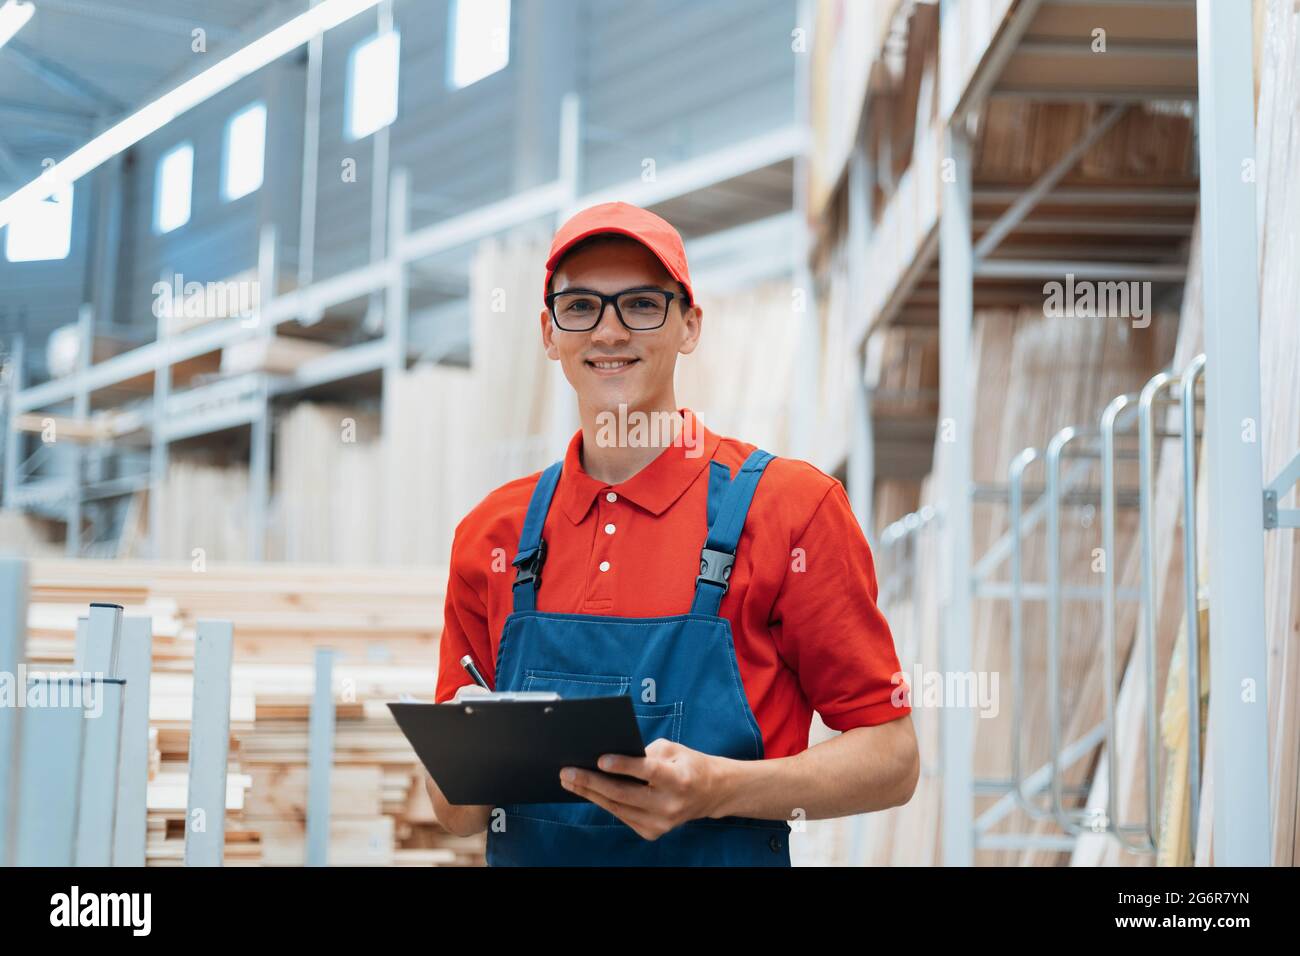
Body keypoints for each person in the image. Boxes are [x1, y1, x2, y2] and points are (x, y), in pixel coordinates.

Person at [426, 201, 918, 866]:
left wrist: (722, 789)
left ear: (690, 324)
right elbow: (455, 816)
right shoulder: (494, 533)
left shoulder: (791, 510)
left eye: (641, 305)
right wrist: (465, 754)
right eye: (580, 307)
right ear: (549, 331)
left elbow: (891, 757)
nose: (608, 331)